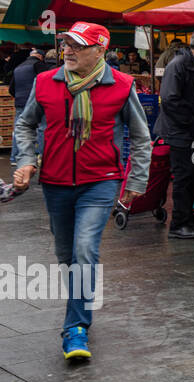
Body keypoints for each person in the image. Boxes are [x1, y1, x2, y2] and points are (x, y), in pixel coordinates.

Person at [11, 22, 151, 361]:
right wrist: (27, 160)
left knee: (85, 249)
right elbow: (26, 123)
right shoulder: (46, 82)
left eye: (78, 45)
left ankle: (76, 328)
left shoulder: (121, 85)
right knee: (66, 256)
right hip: (56, 183)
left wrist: (136, 181)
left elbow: (141, 136)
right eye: (67, 44)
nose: (68, 51)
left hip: (100, 182)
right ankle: (80, 302)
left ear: (100, 50)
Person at [156, 29, 194, 239]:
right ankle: (179, 225)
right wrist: (191, 122)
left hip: (192, 131)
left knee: (191, 177)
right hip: (181, 132)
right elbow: (170, 99)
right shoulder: (179, 65)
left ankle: (187, 221)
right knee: (183, 177)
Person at [7, 48, 45, 161]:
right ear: (40, 56)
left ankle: (15, 157)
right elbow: (45, 82)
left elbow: (11, 89)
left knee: (19, 129)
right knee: (39, 128)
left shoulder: (18, 67)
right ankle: (38, 156)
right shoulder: (38, 65)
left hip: (19, 102)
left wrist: (18, 96)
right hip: (34, 103)